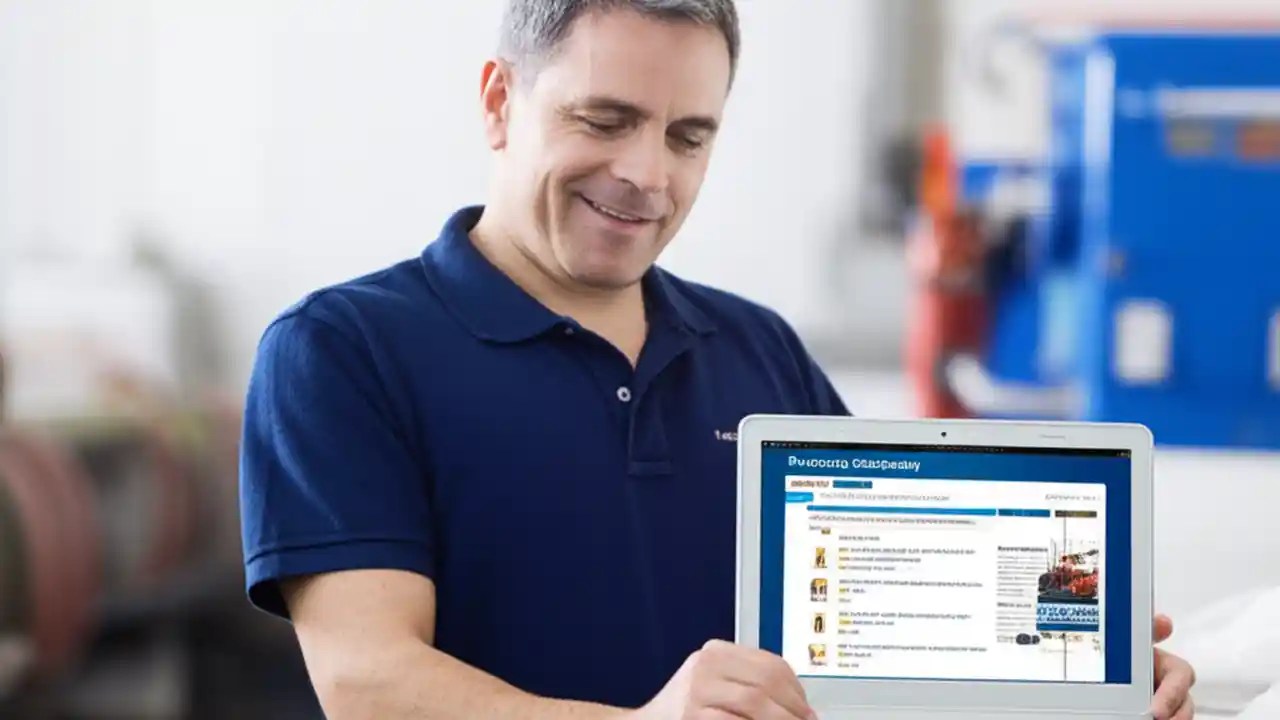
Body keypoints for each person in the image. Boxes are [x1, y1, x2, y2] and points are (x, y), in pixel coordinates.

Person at [237, 2, 1197, 719]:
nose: (647, 174)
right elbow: (369, 681)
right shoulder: (342, 350)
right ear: (499, 102)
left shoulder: (758, 348)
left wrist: (1078, 669)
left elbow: (886, 622)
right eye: (604, 121)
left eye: (687, 136)